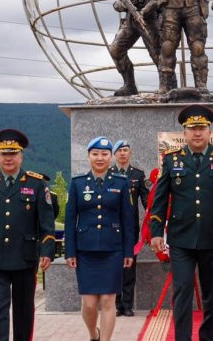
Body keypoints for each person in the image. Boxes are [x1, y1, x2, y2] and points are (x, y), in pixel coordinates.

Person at [149, 105, 213, 341]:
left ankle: (208, 338)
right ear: (184, 133)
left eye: (202, 128)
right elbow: (159, 200)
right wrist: (156, 232)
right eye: (192, 129)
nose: (197, 133)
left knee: (212, 294)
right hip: (181, 238)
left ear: (209, 131)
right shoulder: (171, 160)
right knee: (182, 291)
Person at [0, 129, 55, 341]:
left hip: (25, 257)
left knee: (24, 311)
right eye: (4, 154)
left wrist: (47, 251)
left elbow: (46, 223)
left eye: (13, 154)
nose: (8, 158)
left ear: (21, 156)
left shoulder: (36, 183)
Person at [66, 137, 136, 341]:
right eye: (95, 154)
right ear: (88, 156)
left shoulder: (121, 183)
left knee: (108, 300)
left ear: (110, 157)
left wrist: (128, 251)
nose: (100, 158)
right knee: (88, 303)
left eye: (104, 154)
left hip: (112, 250)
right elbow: (70, 220)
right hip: (85, 250)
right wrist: (70, 251)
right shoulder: (77, 183)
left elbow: (127, 220)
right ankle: (93, 334)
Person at [109, 0, 162, 96]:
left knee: (157, 54)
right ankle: (129, 85)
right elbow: (118, 1)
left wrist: (144, 11)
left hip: (149, 20)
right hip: (130, 21)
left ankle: (167, 85)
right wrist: (120, 6)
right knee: (116, 50)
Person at [110, 139, 151, 317]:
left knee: (129, 267)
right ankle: (116, 304)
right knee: (114, 267)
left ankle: (127, 305)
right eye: (119, 151)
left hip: (130, 229)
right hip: (111, 228)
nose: (122, 153)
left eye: (125, 150)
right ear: (114, 154)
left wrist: (153, 219)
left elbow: (146, 201)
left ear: (130, 153)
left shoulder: (138, 174)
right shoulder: (108, 173)